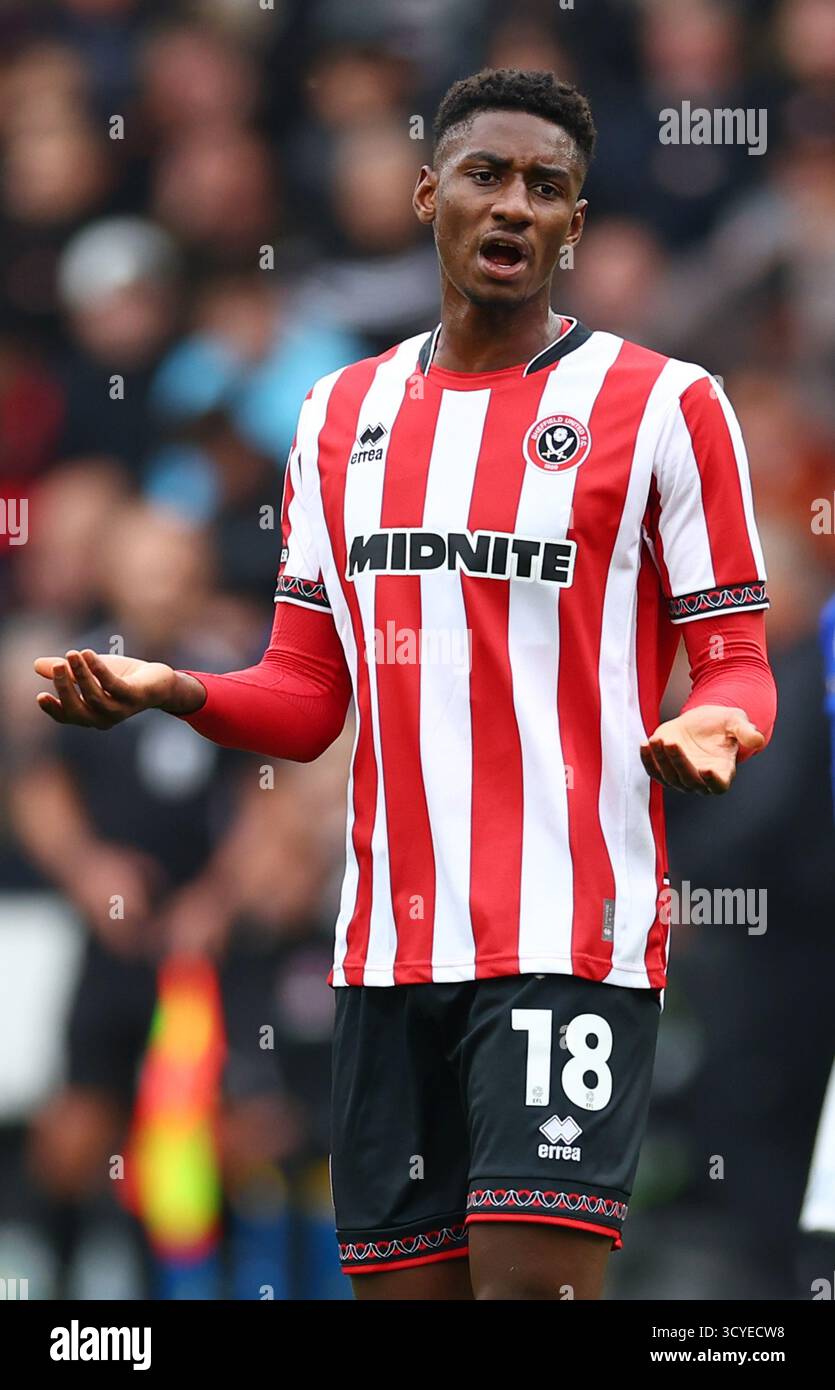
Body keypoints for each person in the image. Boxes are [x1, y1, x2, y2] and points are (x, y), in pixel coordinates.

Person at [33, 69, 778, 1301]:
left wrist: (717, 719)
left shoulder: (664, 407)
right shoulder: (340, 413)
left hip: (565, 939)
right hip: (385, 953)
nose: (514, 206)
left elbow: (737, 653)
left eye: (549, 187)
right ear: (429, 192)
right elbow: (308, 693)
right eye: (487, 174)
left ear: (576, 225)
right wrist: (176, 687)